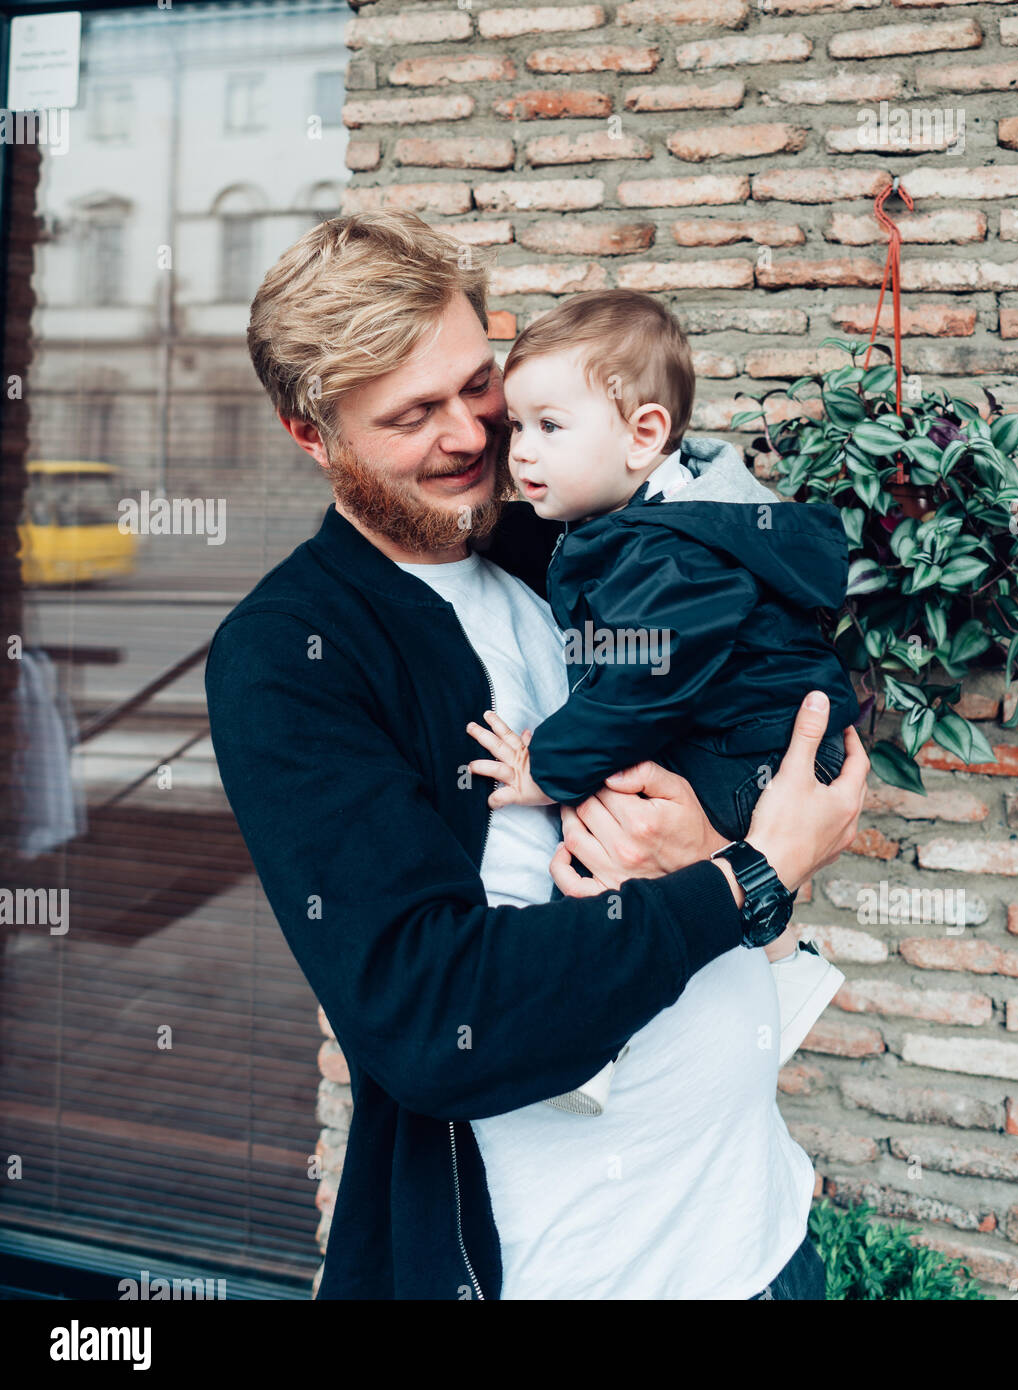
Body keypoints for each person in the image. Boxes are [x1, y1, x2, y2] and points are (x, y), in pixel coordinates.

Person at [205, 208, 869, 1300]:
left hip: (761, 1228)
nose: (474, 435)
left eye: (478, 385)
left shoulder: (569, 537)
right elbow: (430, 1014)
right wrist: (746, 877)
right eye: (414, 413)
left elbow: (797, 727)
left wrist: (725, 838)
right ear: (311, 435)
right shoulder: (290, 659)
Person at [468, 289, 859, 1115]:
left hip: (765, 748)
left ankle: (590, 1041)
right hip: (745, 732)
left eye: (548, 426)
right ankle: (776, 972)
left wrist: (549, 765)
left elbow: (641, 681)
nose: (519, 454)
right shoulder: (644, 516)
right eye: (515, 427)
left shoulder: (670, 549)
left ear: (644, 434)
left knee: (608, 832)